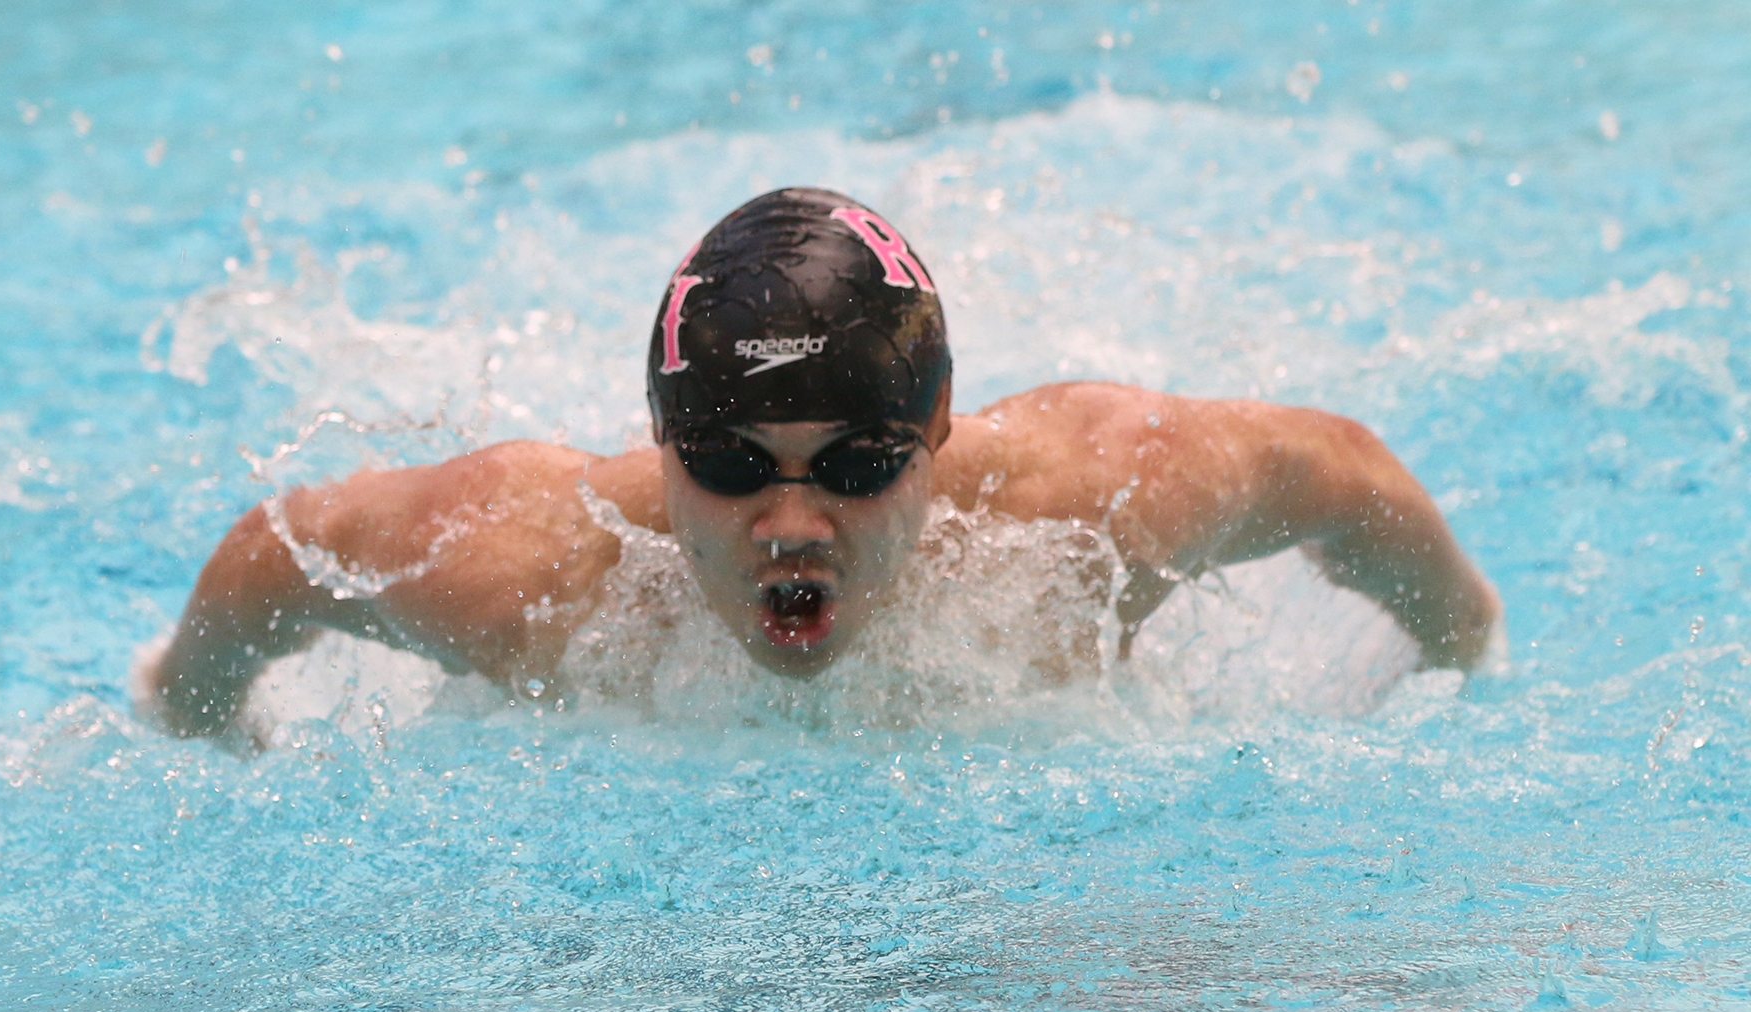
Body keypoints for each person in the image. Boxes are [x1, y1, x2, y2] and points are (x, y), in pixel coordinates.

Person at [147, 187, 1501, 741]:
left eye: (857, 464)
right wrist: (200, 725)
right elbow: (273, 557)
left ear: (943, 426)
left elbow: (1348, 472)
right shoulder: (523, 568)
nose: (792, 522)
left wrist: (1459, 655)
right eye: (734, 466)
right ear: (662, 443)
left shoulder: (1093, 511)